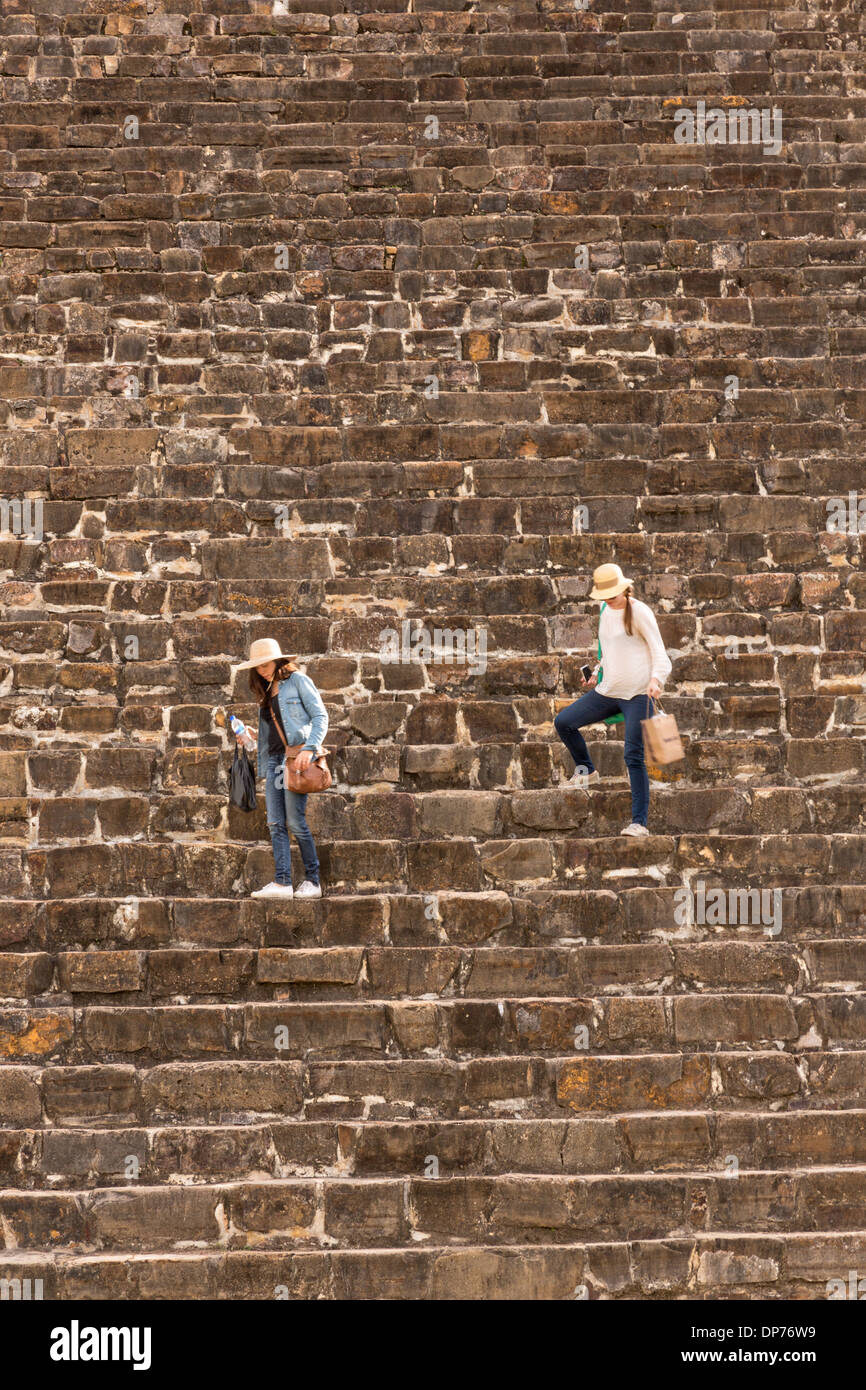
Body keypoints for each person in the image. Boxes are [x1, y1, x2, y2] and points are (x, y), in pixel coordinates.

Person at [553, 563, 672, 837]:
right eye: (603, 595)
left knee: (633, 755)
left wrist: (656, 680)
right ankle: (587, 771)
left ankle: (639, 823)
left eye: (611, 594)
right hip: (608, 690)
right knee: (564, 722)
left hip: (638, 694)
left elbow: (659, 652)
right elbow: (608, 651)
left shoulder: (639, 611)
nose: (607, 599)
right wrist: (596, 673)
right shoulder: (605, 610)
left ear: (622, 588)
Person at [234, 638, 329, 898]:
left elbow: (321, 716)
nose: (263, 670)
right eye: (258, 667)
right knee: (276, 823)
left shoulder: (297, 681)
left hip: (295, 761)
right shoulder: (266, 692)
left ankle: (313, 881)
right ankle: (283, 882)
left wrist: (309, 749)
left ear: (278, 660)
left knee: (295, 822)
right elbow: (271, 736)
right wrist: (251, 735)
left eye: (266, 664)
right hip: (275, 763)